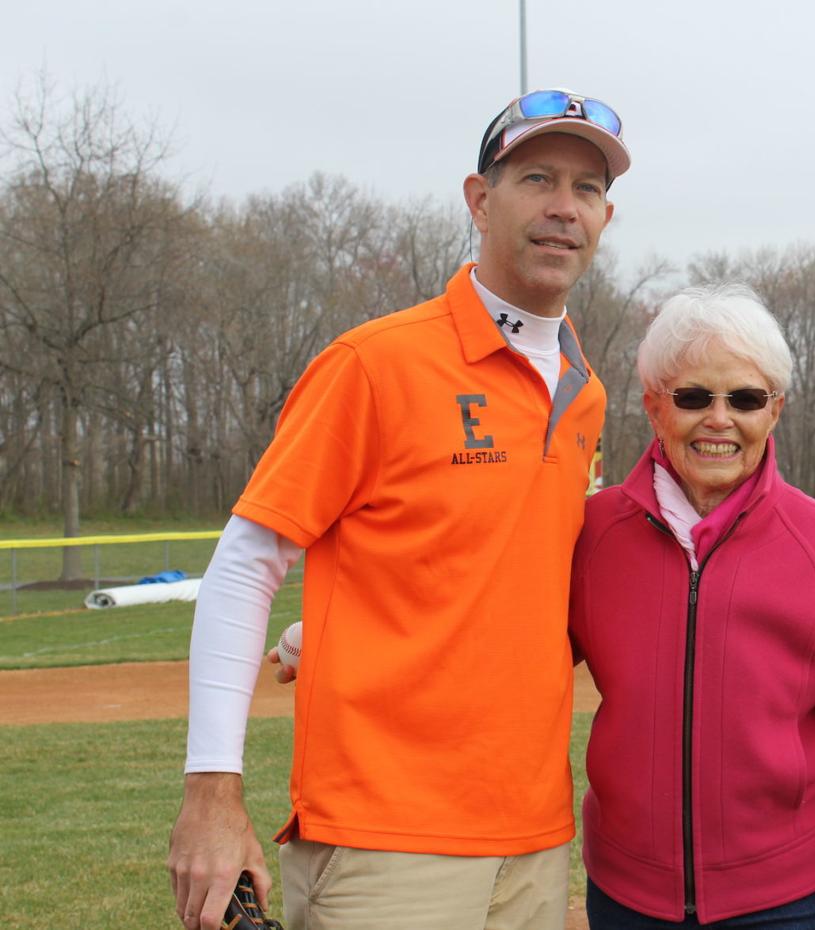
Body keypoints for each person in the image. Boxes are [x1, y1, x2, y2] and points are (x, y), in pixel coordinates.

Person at [166, 88, 628, 930]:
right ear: (479, 201)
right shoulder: (375, 364)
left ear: (605, 218)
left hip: (534, 835)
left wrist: (340, 631)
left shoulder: (584, 391)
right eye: (537, 179)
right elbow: (245, 563)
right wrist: (211, 796)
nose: (565, 207)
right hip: (385, 841)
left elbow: (506, 576)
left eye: (587, 188)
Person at [569, 284, 815, 930]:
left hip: (792, 904)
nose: (719, 419)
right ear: (653, 405)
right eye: (693, 397)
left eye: (746, 399)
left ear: (775, 410)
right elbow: (510, 673)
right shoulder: (590, 536)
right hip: (626, 899)